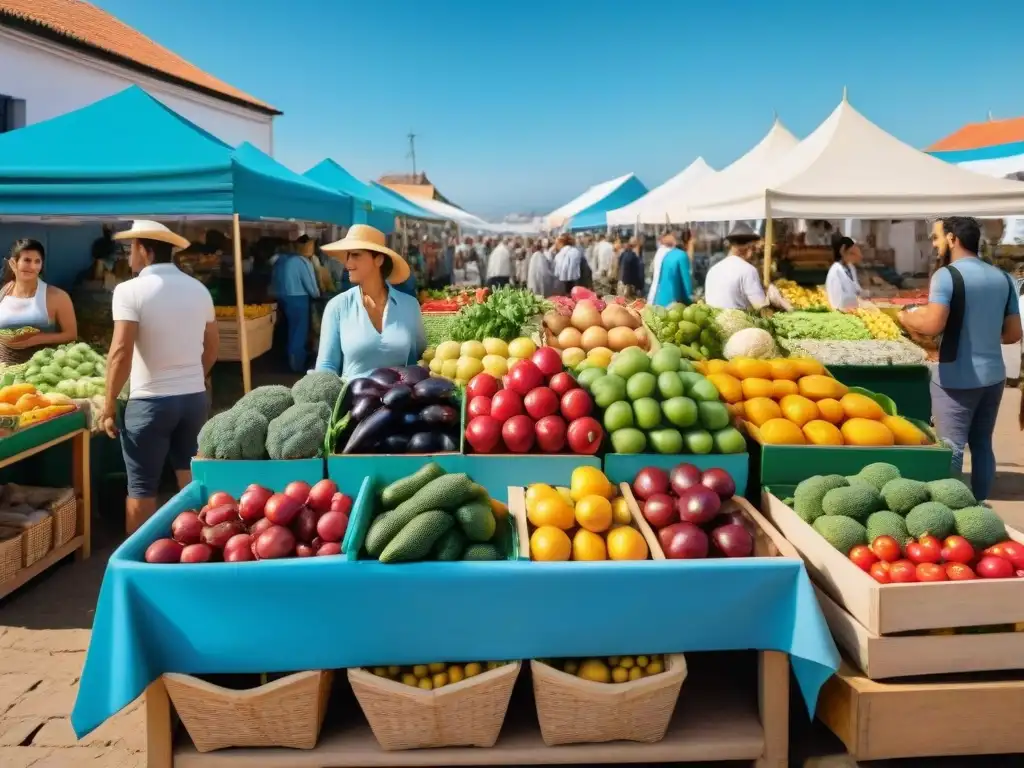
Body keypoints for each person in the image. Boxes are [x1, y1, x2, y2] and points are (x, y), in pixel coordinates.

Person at [103, 221, 217, 533]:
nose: (129, 257)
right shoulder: (198, 289)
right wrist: (196, 375)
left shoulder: (129, 290)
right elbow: (212, 346)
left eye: (131, 249)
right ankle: (200, 549)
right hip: (193, 400)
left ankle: (137, 562)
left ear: (144, 249)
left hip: (149, 403)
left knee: (141, 487)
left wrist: (109, 403)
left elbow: (120, 352)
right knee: (190, 480)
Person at [900, 217, 1021, 501]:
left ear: (953, 239)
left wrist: (906, 317)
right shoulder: (1003, 278)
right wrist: (984, 335)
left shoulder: (947, 275)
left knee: (951, 446)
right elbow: (1014, 333)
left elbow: (932, 325)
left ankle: (952, 509)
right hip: (993, 375)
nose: (934, 244)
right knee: (982, 444)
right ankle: (978, 502)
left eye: (936, 238)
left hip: (956, 376)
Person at [315, 225, 425, 379]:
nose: (348, 264)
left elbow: (419, 357)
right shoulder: (337, 306)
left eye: (356, 255)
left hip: (399, 399)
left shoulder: (410, 305)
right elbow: (326, 366)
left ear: (378, 259)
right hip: (354, 399)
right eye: (347, 256)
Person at [0, 239, 78, 365]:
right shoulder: (4, 292)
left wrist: (34, 339)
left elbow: (71, 335)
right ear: (13, 263)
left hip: (41, 369)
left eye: (37, 261)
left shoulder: (58, 296)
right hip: (3, 369)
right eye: (27, 260)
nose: (32, 267)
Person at [272, 235, 321, 373]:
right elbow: (311, 285)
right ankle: (297, 365)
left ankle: (291, 361)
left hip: (285, 299)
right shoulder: (303, 262)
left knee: (292, 330)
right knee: (300, 331)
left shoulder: (284, 260)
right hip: (300, 299)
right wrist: (317, 294)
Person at [703, 222, 768, 310]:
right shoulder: (748, 270)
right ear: (749, 248)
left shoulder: (713, 270)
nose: (754, 253)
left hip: (712, 321)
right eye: (753, 248)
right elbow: (761, 307)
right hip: (739, 322)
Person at [652, 229, 695, 307]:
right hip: (673, 303)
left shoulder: (667, 255)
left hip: (659, 301)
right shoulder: (682, 256)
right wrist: (691, 301)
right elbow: (687, 283)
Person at [825, 234, 864, 311]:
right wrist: (857, 301)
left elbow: (855, 287)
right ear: (843, 251)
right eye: (852, 253)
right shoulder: (835, 271)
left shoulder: (851, 267)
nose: (855, 257)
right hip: (841, 312)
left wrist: (864, 294)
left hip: (853, 309)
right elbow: (835, 300)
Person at [646, 232, 675, 303]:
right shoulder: (665, 251)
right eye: (671, 236)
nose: (674, 238)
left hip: (657, 292)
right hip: (661, 293)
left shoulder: (662, 251)